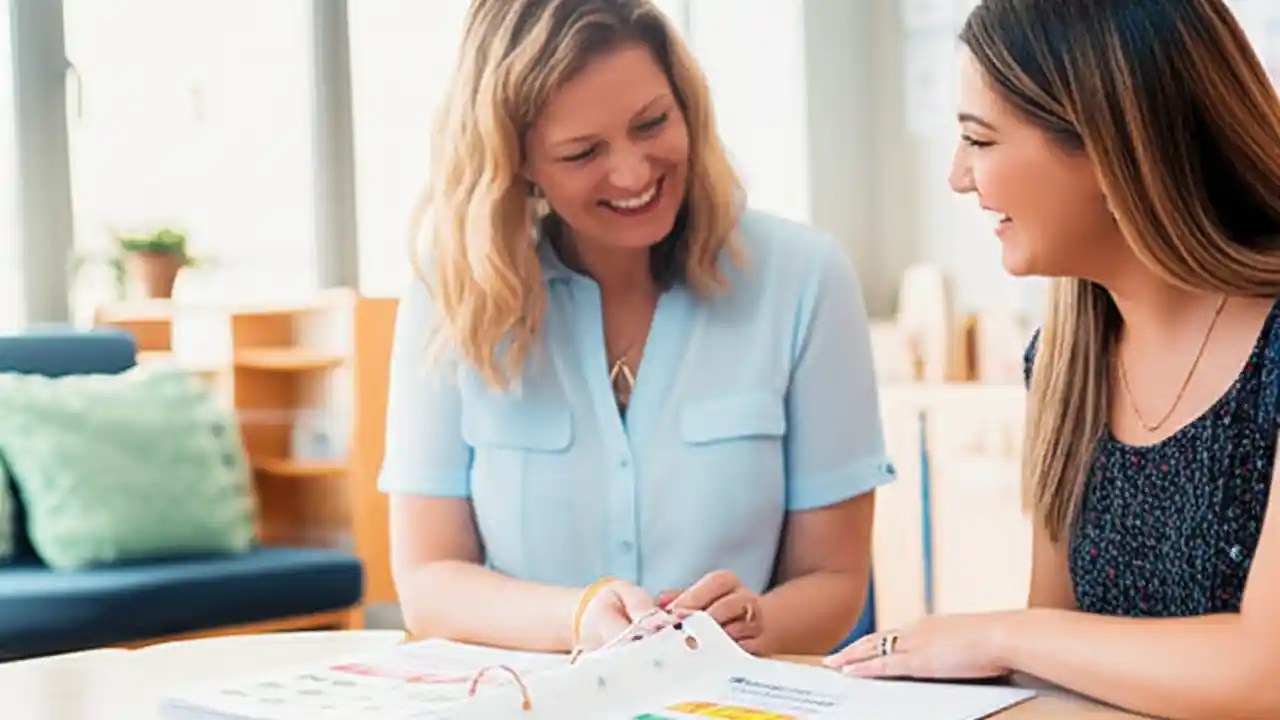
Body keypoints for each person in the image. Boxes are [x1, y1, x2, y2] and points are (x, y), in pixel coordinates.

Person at [379, 0, 894, 659]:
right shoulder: (450, 291)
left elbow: (834, 581)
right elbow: (427, 583)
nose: (632, 173)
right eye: (581, 152)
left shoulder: (805, 278)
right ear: (518, 161)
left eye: (652, 123)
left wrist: (753, 621)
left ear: (687, 105)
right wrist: (579, 616)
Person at [825, 1, 1280, 717]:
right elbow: (1063, 678)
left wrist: (1002, 636)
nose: (957, 176)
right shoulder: (1067, 362)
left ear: (1108, 145)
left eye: (980, 140)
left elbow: (1265, 674)